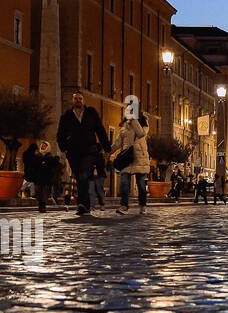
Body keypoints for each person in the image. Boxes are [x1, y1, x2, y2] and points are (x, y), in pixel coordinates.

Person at [57, 89, 111, 217]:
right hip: (73, 152)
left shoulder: (91, 113)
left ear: (83, 101)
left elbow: (100, 130)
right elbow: (60, 134)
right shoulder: (66, 116)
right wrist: (64, 148)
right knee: (79, 177)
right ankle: (83, 205)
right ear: (73, 100)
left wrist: (107, 148)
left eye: (80, 98)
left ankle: (83, 204)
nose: (78, 100)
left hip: (89, 151)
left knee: (83, 174)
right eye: (76, 98)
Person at [113, 110, 150, 214]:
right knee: (124, 183)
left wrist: (133, 120)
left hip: (140, 157)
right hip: (127, 158)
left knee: (141, 185)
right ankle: (124, 206)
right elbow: (117, 143)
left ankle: (142, 205)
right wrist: (108, 151)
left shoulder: (144, 125)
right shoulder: (124, 128)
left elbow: (141, 134)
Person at [22, 139, 63, 213]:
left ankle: (43, 206)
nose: (43, 147)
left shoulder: (49, 156)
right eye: (42, 146)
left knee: (44, 192)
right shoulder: (37, 155)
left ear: (48, 147)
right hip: (38, 177)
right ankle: (40, 205)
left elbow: (53, 165)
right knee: (38, 192)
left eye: (45, 146)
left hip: (46, 178)